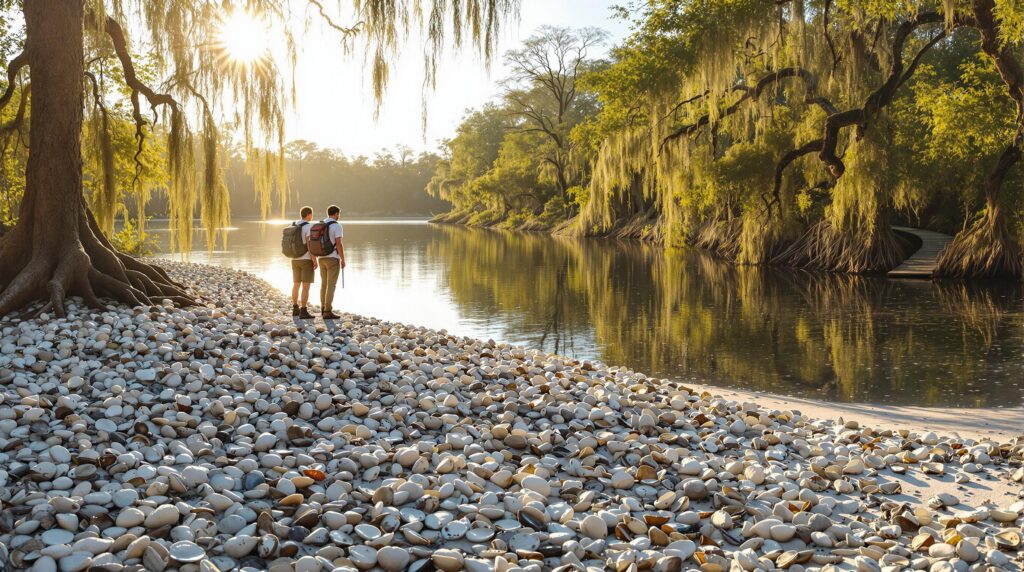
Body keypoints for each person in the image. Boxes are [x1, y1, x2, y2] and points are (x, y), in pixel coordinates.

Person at [319, 204, 346, 320]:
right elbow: (338, 243)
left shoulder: (321, 224)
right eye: (338, 214)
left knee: (324, 284)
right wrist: (343, 258)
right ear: (335, 214)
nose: (339, 216)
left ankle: (323, 308)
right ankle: (327, 311)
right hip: (332, 258)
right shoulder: (337, 226)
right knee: (331, 285)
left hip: (321, 257)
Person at [290, 206, 316, 319]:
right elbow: (309, 244)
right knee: (306, 286)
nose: (312, 216)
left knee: (296, 284)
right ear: (309, 215)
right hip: (305, 259)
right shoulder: (308, 227)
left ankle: (295, 308)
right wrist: (314, 259)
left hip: (294, 259)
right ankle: (304, 310)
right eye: (312, 214)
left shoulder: (294, 225)